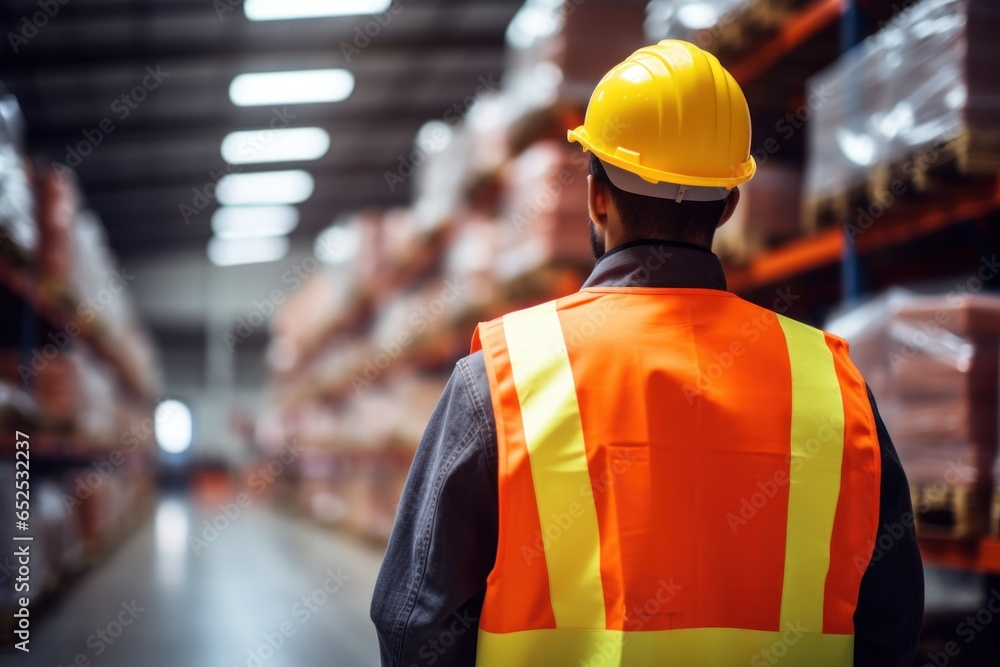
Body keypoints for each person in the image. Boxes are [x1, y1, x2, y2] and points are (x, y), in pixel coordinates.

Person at [371, 40, 923, 666]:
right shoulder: (831, 383)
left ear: (595, 197)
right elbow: (890, 624)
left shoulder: (504, 376)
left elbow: (414, 623)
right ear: (730, 205)